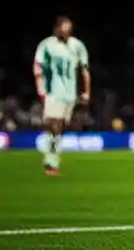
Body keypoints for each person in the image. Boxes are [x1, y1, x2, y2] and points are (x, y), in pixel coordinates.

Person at [32, 16, 90, 176]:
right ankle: (51, 161)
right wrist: (41, 90)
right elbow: (37, 68)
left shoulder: (77, 45)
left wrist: (86, 92)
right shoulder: (46, 45)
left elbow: (84, 70)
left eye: (68, 28)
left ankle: (52, 157)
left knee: (61, 126)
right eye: (64, 27)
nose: (66, 31)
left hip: (69, 93)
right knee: (54, 124)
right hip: (53, 91)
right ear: (57, 28)